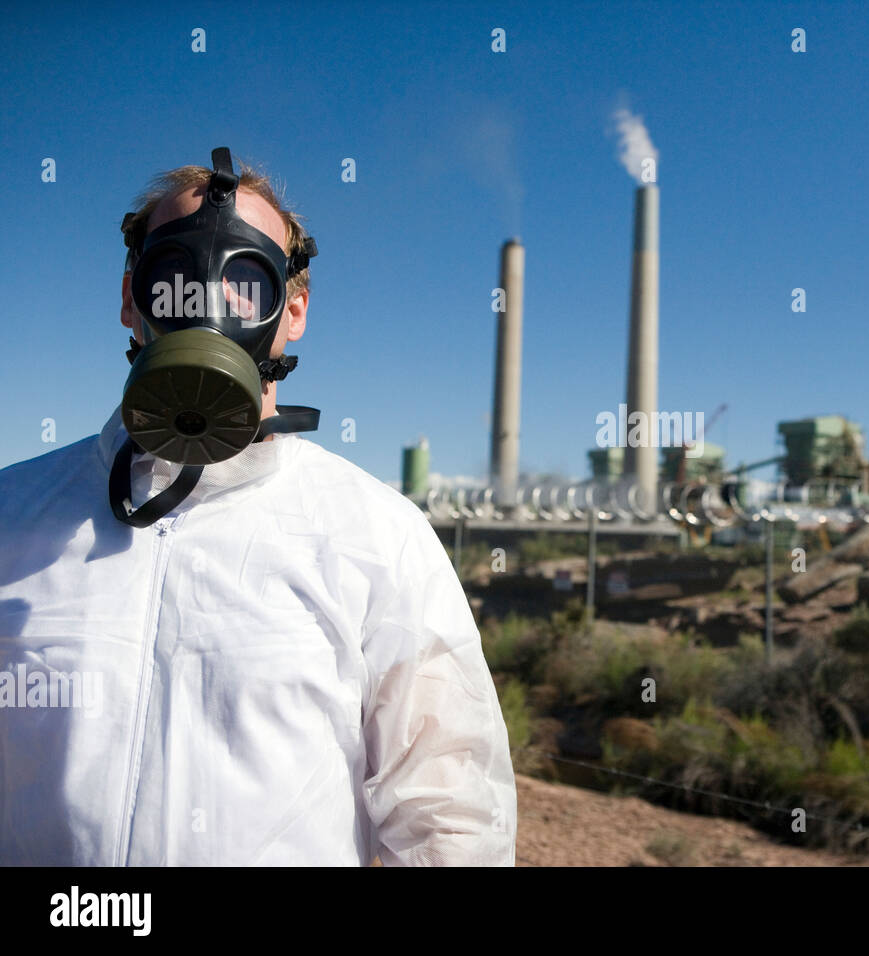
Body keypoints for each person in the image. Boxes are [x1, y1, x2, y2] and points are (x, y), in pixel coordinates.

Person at [0, 148, 516, 866]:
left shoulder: (377, 534)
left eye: (245, 281)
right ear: (131, 297)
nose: (206, 303)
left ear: (294, 310)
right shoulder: (12, 515)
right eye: (173, 275)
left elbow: (450, 814)